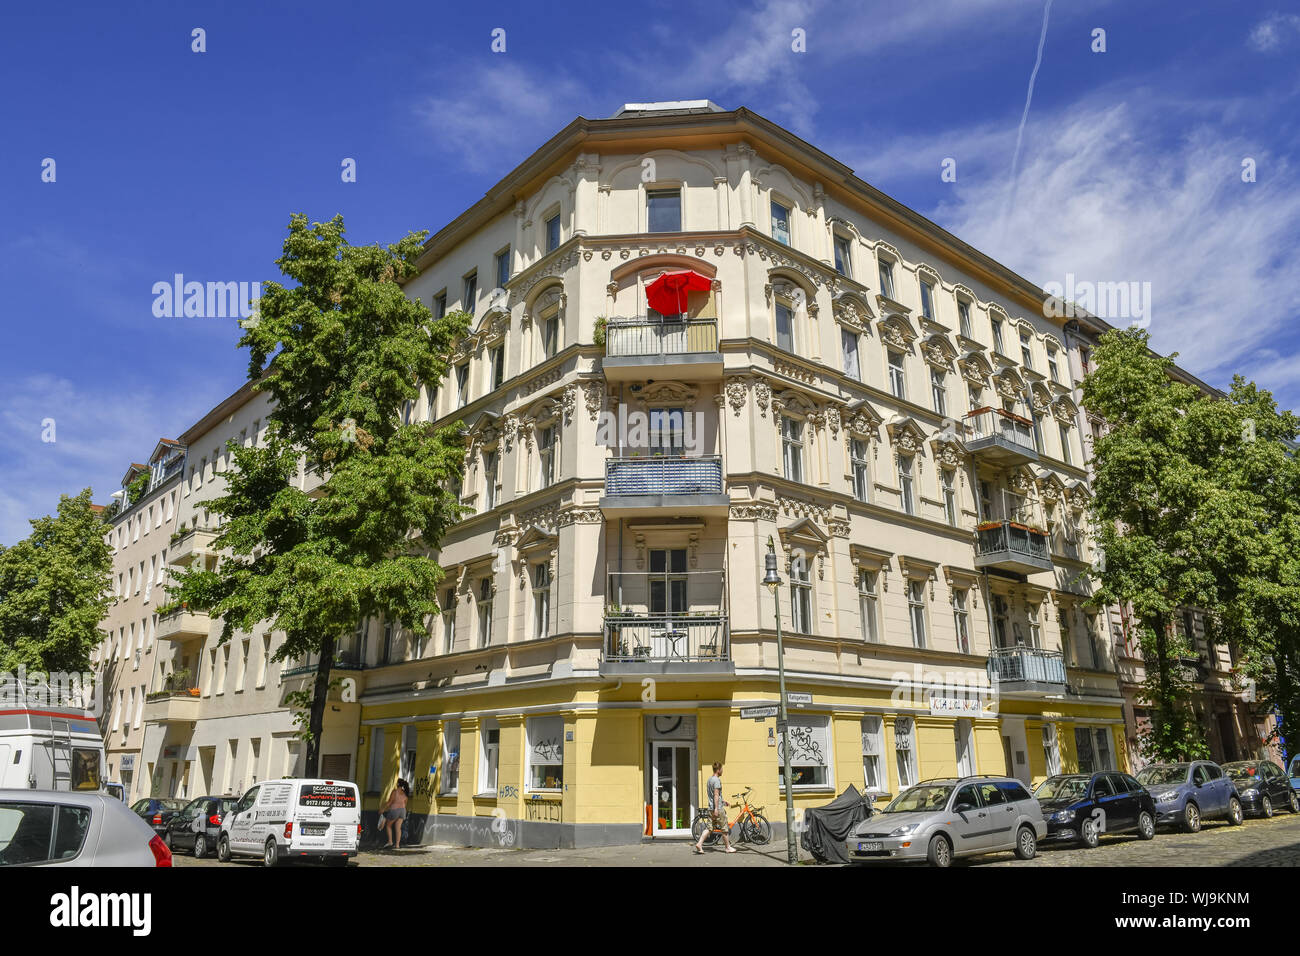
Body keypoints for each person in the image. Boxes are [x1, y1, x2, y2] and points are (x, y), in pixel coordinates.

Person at [694, 762, 736, 854]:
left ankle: (699, 843)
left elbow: (714, 795)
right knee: (724, 828)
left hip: (710, 808)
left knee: (709, 828)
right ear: (718, 770)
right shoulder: (716, 780)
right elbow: (716, 795)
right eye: (722, 769)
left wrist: (723, 801)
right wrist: (717, 808)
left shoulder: (709, 780)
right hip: (717, 809)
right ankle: (728, 847)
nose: (722, 771)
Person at [379, 778, 411, 849]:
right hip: (403, 811)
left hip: (394, 810)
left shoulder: (395, 792)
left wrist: (383, 809)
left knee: (388, 825)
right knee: (398, 828)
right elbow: (405, 804)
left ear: (398, 784)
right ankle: (397, 845)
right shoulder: (405, 793)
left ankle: (390, 841)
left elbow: (390, 802)